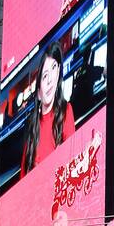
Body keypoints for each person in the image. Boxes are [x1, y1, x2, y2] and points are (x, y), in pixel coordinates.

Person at [20, 41, 75, 177]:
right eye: (44, 76)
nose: (50, 79)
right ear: (38, 93)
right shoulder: (32, 127)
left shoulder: (65, 111)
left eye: (54, 67)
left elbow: (72, 160)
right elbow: (23, 177)